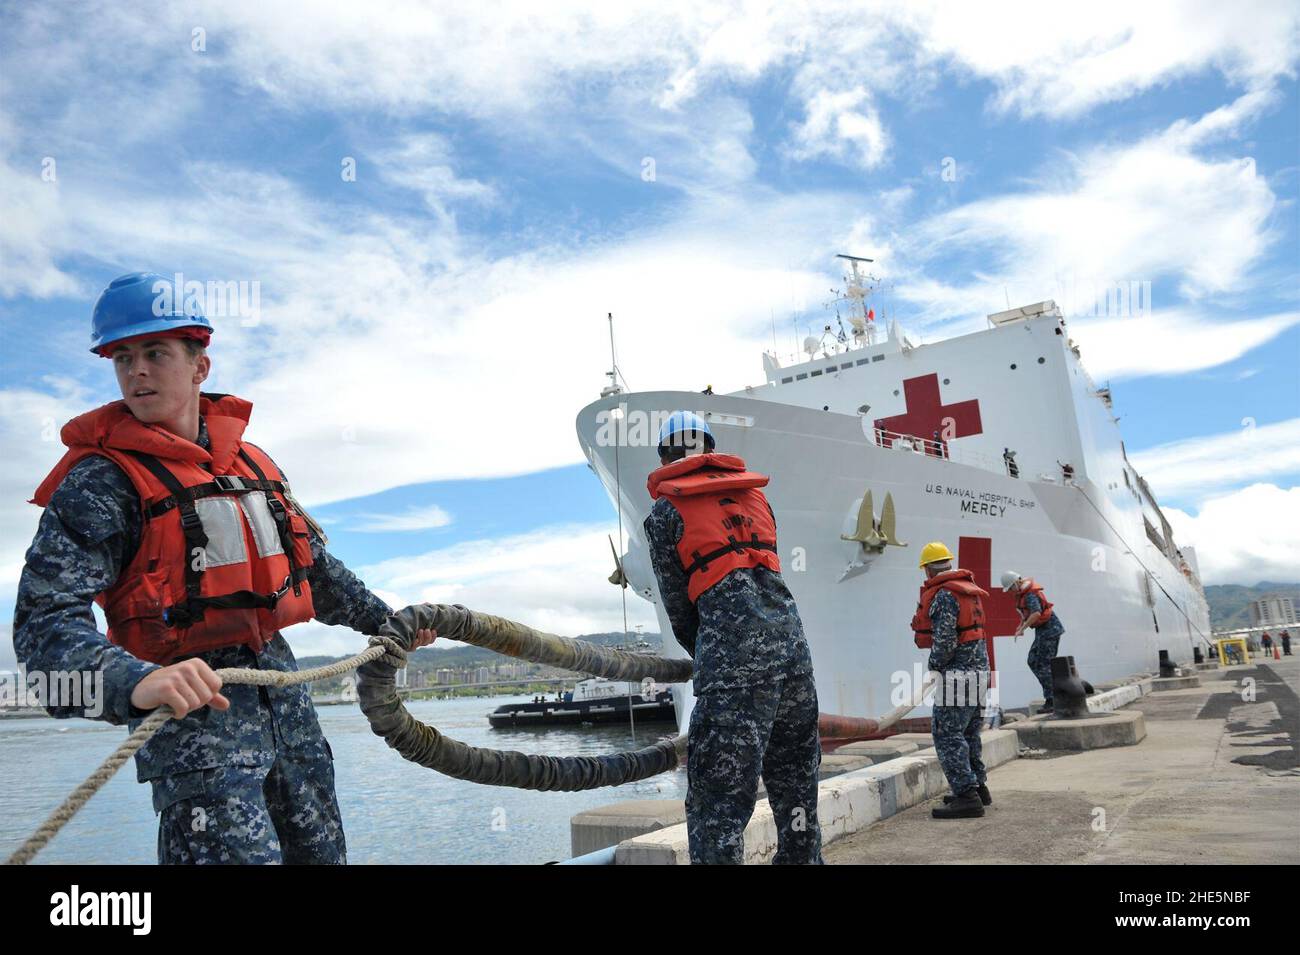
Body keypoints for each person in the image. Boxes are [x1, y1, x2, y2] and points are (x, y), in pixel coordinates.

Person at [14, 272, 435, 864]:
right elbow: (43, 629)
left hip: (294, 728)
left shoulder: (251, 466)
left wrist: (388, 622)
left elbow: (311, 569)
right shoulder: (99, 483)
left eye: (155, 353)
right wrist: (134, 681)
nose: (136, 371)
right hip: (198, 739)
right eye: (123, 357)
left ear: (199, 367)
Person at [642, 410, 821, 864]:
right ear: (713, 447)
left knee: (718, 802)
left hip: (734, 668)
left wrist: (713, 652)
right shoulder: (756, 498)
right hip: (795, 656)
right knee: (796, 783)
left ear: (665, 454)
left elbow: (679, 607)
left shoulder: (665, 512)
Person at [912, 542, 991, 818]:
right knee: (969, 732)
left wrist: (934, 664)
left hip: (958, 677)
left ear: (928, 569)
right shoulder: (968, 592)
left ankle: (967, 797)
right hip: (980, 673)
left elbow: (944, 641)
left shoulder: (945, 595)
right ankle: (978, 787)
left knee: (946, 734)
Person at [1002, 571, 1066, 713]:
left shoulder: (1029, 594)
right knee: (1032, 660)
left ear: (1016, 583)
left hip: (1050, 630)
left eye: (1010, 588)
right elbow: (1027, 613)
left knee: (1043, 664)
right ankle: (1053, 696)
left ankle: (1053, 700)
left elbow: (1036, 613)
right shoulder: (1023, 594)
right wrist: (1021, 625)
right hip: (1043, 631)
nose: (1010, 592)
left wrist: (1022, 629)